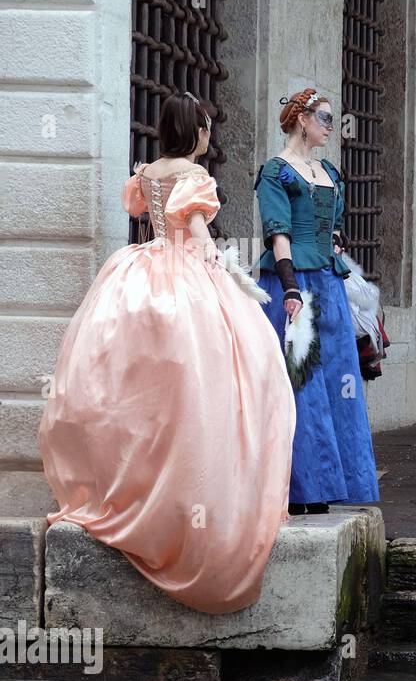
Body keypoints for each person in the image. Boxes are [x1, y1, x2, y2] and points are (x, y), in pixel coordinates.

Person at [38, 92, 295, 614]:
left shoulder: (149, 173)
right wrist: (224, 269)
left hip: (143, 270)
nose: (209, 135)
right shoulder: (195, 177)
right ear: (195, 131)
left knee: (137, 386)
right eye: (205, 126)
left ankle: (128, 485)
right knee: (222, 373)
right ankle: (195, 498)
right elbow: (198, 237)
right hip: (183, 274)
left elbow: (143, 212)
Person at [256, 88, 380, 515]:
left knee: (338, 381)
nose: (331, 126)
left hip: (329, 282)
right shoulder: (277, 172)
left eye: (331, 119)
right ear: (302, 119)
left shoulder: (329, 171)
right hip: (296, 286)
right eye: (324, 118)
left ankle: (332, 484)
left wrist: (336, 242)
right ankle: (301, 490)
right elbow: (280, 235)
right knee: (300, 383)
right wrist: (290, 288)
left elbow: (333, 227)